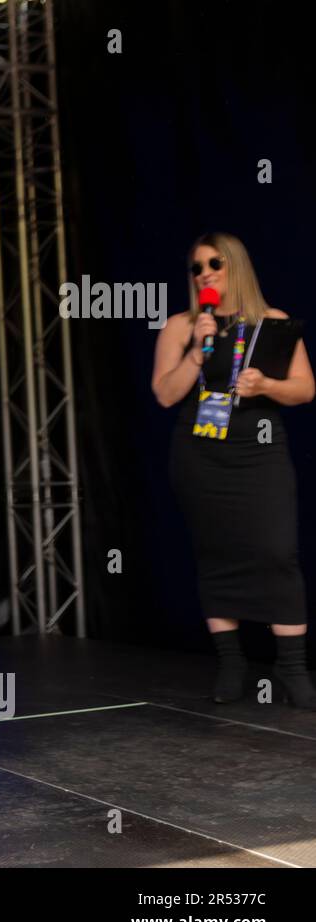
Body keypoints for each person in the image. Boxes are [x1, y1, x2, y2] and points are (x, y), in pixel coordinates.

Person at [152, 232, 315, 707]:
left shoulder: (274, 323)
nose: (205, 273)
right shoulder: (181, 325)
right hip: (200, 453)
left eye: (215, 264)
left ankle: (291, 668)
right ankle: (231, 662)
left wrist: (265, 384)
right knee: (216, 553)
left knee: (276, 551)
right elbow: (164, 393)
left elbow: (305, 389)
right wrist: (194, 350)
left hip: (258, 452)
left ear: (236, 267)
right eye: (197, 267)